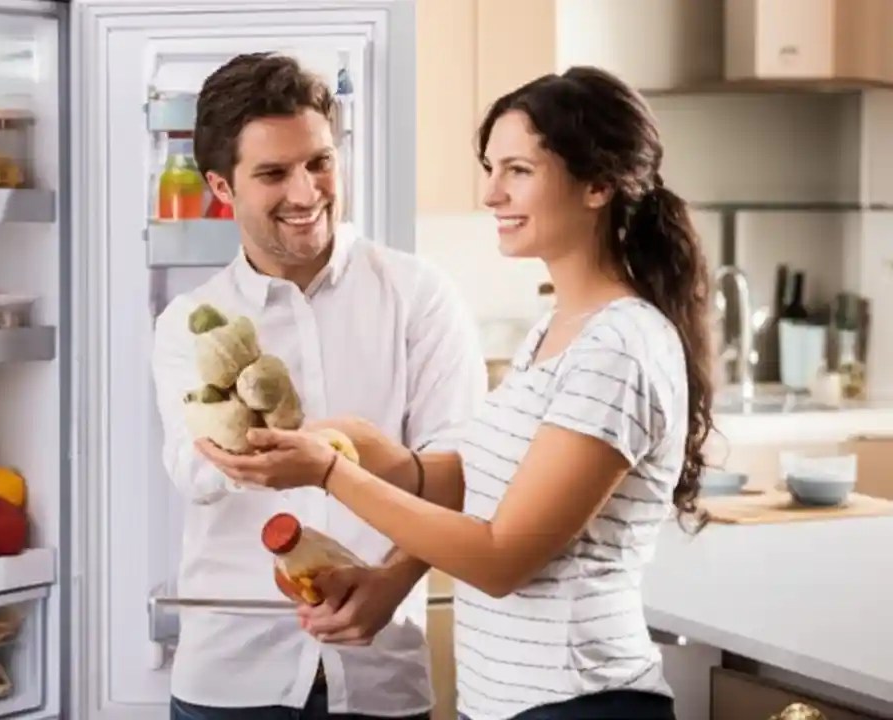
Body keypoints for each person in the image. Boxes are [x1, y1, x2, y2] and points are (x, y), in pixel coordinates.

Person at [196, 65, 714, 720]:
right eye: (491, 168)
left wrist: (331, 473)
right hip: (509, 704)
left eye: (518, 170)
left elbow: (502, 559)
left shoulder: (619, 347)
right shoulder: (556, 332)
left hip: (581, 699)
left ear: (599, 184)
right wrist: (376, 453)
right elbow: (482, 486)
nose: (491, 194)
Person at [150, 52, 488, 719]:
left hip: (381, 670)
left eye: (320, 163)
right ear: (222, 187)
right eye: (274, 174)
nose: (306, 194)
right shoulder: (191, 322)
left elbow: (460, 473)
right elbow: (195, 472)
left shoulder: (418, 295)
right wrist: (263, 455)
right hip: (231, 678)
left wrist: (392, 582)